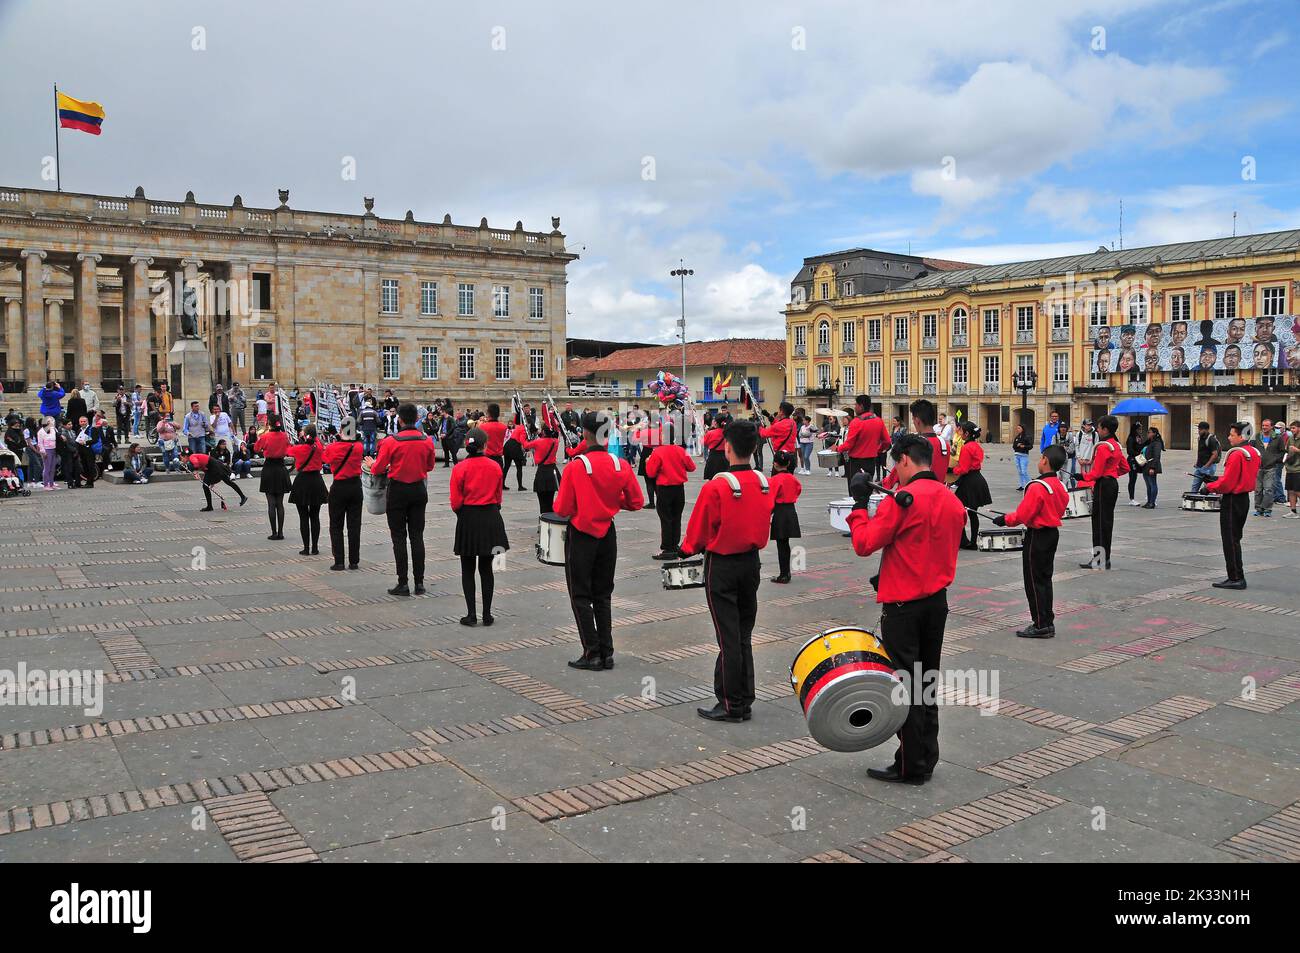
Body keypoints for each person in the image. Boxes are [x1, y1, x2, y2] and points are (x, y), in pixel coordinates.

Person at [846, 434, 966, 784]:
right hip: (936, 602)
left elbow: (864, 544)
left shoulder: (901, 500)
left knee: (906, 686)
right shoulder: (950, 499)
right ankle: (926, 755)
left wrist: (858, 506)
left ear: (904, 461)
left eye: (894, 466)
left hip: (903, 607)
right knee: (927, 681)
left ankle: (910, 764)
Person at [680, 420, 775, 721]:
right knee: (743, 633)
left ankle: (731, 703)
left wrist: (684, 550)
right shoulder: (763, 482)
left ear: (727, 447)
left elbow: (697, 535)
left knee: (727, 636)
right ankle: (745, 697)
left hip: (722, 566)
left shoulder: (718, 486)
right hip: (752, 564)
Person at [554, 411, 643, 671]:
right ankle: (607, 651)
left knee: (580, 594)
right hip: (608, 535)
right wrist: (614, 503)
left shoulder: (576, 466)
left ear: (585, 434)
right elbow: (636, 502)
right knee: (603, 594)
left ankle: (591, 652)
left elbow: (562, 509)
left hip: (582, 534)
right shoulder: (620, 464)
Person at [993, 445, 1069, 638]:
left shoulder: (1037, 487)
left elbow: (1024, 515)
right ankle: (1047, 621)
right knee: (1045, 579)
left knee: (1033, 581)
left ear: (1044, 460)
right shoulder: (1059, 485)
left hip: (1037, 535)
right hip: (1052, 534)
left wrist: (1005, 520)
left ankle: (1040, 624)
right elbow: (1062, 507)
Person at [367, 403, 437, 596]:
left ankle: (403, 583)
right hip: (418, 490)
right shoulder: (426, 440)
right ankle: (420, 583)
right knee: (417, 537)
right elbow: (430, 466)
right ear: (416, 419)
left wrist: (373, 464)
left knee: (398, 538)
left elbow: (378, 469)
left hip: (397, 491)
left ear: (400, 419)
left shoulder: (391, 441)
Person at [450, 428, 509, 626]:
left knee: (467, 569)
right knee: (487, 569)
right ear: (485, 445)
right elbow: (499, 497)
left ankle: (471, 614)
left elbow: (455, 502)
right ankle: (487, 614)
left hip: (468, 518)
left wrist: (464, 513)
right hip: (491, 518)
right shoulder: (495, 466)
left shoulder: (460, 468)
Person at [1206, 423, 1262, 590]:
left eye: (1232, 434)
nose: (1229, 437)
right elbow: (1240, 476)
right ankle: (1236, 575)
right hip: (1244, 499)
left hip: (1232, 499)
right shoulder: (1253, 452)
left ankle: (1236, 577)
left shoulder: (1236, 454)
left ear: (1241, 436)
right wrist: (1217, 480)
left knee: (1229, 540)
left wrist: (1209, 487)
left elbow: (1228, 483)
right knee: (1235, 538)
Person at [1076, 415, 1128, 570]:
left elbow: (1096, 473)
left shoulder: (1104, 446)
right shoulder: (1116, 445)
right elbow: (1125, 468)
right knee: (1107, 522)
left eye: (1099, 427)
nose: (1097, 430)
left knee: (1098, 523)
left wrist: (1083, 476)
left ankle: (1099, 560)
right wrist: (1112, 474)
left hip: (1103, 485)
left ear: (1105, 429)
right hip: (1112, 484)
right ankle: (1106, 559)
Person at [646, 428, 696, 559]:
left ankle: (667, 548)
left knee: (666, 518)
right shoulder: (680, 450)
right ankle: (674, 544)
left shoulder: (658, 451)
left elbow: (651, 472)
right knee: (676, 517)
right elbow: (692, 467)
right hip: (679, 488)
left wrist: (648, 462)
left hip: (664, 488)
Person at [322, 427, 364, 570]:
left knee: (336, 526)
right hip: (355, 486)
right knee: (354, 525)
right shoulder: (358, 446)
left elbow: (325, 459)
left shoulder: (333, 447)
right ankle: (354, 561)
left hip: (339, 487)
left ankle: (339, 561)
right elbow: (356, 441)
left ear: (341, 432)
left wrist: (337, 439)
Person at [287, 425, 328, 556]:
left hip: (302, 481)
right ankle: (315, 547)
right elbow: (323, 453)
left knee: (303, 517)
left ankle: (306, 548)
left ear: (304, 435)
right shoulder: (319, 447)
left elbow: (288, 450)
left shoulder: (299, 448)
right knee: (315, 516)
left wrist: (300, 439)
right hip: (316, 480)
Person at [833, 395, 889, 488]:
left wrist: (837, 448)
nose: (855, 407)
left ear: (861, 406)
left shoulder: (856, 422)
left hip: (856, 462)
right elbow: (887, 441)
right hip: (871, 461)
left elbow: (849, 444)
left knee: (855, 490)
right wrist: (878, 450)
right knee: (868, 487)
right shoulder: (879, 421)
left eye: (856, 405)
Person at [951, 421, 992, 549]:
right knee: (972, 513)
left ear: (967, 433)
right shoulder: (976, 446)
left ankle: (963, 540)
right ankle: (972, 541)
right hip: (977, 479)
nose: (960, 433)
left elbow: (963, 469)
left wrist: (952, 470)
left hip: (968, 482)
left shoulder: (966, 447)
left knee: (957, 510)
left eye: (961, 431)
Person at [255, 416, 293, 540]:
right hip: (281, 468)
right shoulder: (284, 435)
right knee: (280, 503)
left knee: (271, 503)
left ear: (269, 424)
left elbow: (256, 448)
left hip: (269, 468)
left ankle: (274, 532)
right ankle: (281, 532)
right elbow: (289, 449)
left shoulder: (265, 436)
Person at [768, 449, 802, 584]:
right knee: (785, 544)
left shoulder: (774, 480)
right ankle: (786, 572)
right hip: (791, 511)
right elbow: (798, 491)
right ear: (788, 463)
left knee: (781, 545)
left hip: (780, 512)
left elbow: (770, 498)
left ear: (775, 464)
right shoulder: (793, 479)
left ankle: (784, 574)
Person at [180, 447, 249, 511]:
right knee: (228, 482)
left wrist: (195, 472)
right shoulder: (195, 457)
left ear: (186, 456)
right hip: (215, 466)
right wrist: (212, 481)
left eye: (181, 458)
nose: (181, 460)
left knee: (205, 486)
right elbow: (204, 467)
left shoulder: (192, 457)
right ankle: (243, 496)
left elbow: (196, 464)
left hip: (213, 467)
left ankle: (209, 506)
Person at [1249, 419, 1286, 518]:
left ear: (1271, 427)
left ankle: (1267, 509)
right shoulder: (1257, 436)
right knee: (1258, 490)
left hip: (1271, 467)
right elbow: (1251, 449)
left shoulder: (1277, 438)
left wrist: (1275, 459)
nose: (1264, 427)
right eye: (1263, 425)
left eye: (1266, 425)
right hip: (1258, 467)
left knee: (1269, 489)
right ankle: (1258, 508)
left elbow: (1283, 452)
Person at [524, 424, 561, 513]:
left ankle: (543, 518)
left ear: (543, 432)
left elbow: (526, 446)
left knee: (542, 501)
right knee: (550, 499)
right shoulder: (555, 441)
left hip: (542, 471)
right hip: (553, 471)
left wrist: (524, 436)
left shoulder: (538, 442)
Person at [1191, 421, 1221, 494]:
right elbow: (1201, 452)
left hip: (1209, 468)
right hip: (1200, 467)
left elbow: (1215, 454)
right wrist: (1197, 463)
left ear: (1206, 430)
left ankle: (1207, 503)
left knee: (1207, 488)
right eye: (1199, 429)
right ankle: (1193, 501)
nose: (1199, 431)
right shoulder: (1200, 438)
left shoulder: (1211, 439)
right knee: (1194, 487)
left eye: (1201, 429)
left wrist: (1206, 466)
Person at [480, 402, 508, 479]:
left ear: (488, 413)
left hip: (487, 458)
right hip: (499, 459)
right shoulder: (503, 427)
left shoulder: (482, 427)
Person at [502, 416, 527, 491]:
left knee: (506, 467)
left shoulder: (519, 427)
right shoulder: (523, 429)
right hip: (515, 447)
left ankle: (502, 485)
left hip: (508, 445)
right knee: (519, 467)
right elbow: (522, 440)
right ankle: (520, 486)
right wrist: (527, 447)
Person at [1141, 425, 1164, 508]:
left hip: (1151, 465)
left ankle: (1152, 502)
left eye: (1149, 432)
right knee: (1148, 485)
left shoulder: (1157, 443)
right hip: (1146, 466)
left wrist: (1152, 468)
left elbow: (1157, 456)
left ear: (1154, 433)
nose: (1148, 434)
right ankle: (1149, 501)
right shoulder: (1150, 442)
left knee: (1152, 484)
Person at [1125, 419, 1146, 506]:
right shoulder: (1131, 438)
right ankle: (1132, 498)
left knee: (1147, 473)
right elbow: (1130, 451)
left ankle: (1149, 494)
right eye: (1139, 429)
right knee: (1132, 478)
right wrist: (1138, 453)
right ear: (1135, 429)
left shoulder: (1139, 437)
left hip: (1140, 457)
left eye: (1141, 429)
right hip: (1133, 459)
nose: (1140, 430)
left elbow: (1140, 446)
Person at [1283, 420, 1300, 518]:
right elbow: (1286, 450)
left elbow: (1295, 450)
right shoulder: (1290, 438)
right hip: (1290, 467)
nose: (1292, 430)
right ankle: (1293, 511)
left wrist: (1297, 450)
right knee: (1291, 490)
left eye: (1294, 428)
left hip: (1298, 469)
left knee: (1298, 490)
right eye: (1291, 428)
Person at [36, 417, 58, 490]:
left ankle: (51, 483)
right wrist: (43, 452)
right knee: (47, 468)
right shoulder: (41, 432)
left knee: (53, 468)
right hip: (46, 450)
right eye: (49, 421)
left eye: (51, 421)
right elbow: (40, 443)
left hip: (53, 449)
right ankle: (46, 485)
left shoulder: (53, 430)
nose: (51, 422)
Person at [1075, 419, 1098, 485]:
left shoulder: (1095, 434)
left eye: (1091, 425)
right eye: (1088, 425)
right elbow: (1077, 446)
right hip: (1080, 460)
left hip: (1090, 461)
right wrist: (1079, 458)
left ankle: (1090, 491)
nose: (1090, 426)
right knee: (1079, 477)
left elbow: (1096, 447)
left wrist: (1092, 459)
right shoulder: (1079, 434)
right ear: (1083, 425)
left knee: (1090, 478)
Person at [1011, 424, 1032, 490]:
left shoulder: (1027, 437)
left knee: (1024, 471)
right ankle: (1022, 485)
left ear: (1023, 429)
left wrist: (1024, 446)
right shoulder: (1017, 437)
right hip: (1017, 455)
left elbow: (1030, 446)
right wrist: (1017, 445)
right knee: (1020, 472)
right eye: (1017, 428)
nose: (1018, 430)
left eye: (1019, 428)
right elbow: (1014, 446)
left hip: (1024, 456)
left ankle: (1030, 484)